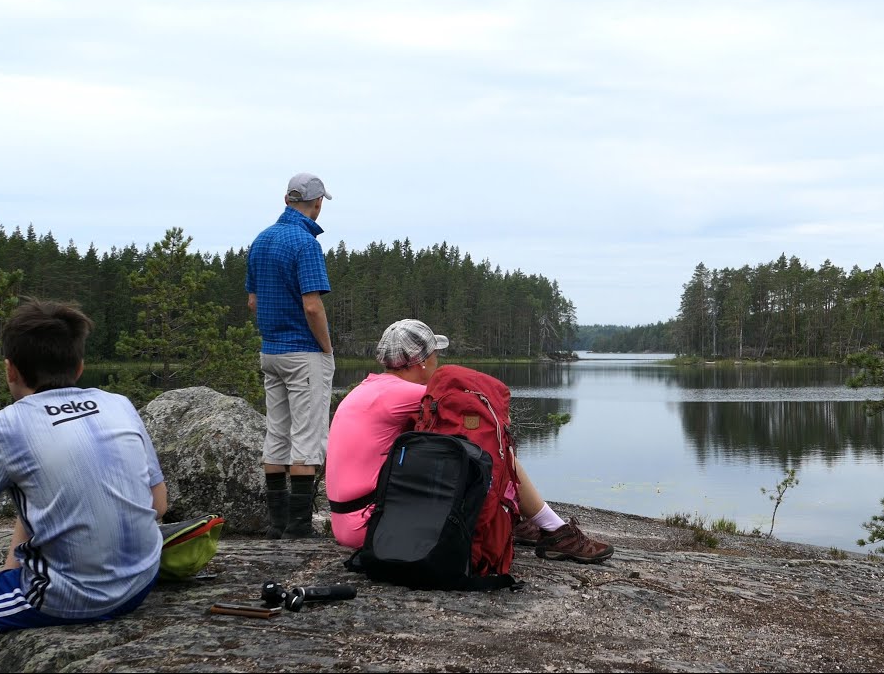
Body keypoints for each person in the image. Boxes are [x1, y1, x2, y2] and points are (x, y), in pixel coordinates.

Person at [0, 299, 167, 668]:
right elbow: (158, 503)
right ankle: (19, 567)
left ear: (10, 370)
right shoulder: (119, 404)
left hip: (70, 596)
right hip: (142, 579)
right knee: (39, 488)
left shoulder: (3, 427)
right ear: (79, 367)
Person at [325, 318, 614, 564]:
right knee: (497, 447)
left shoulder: (369, 388)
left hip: (347, 523)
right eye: (436, 354)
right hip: (370, 525)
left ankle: (511, 517)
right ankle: (556, 530)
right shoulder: (405, 394)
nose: (439, 361)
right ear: (423, 362)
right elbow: (483, 419)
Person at [246, 172, 336, 539]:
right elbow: (312, 306)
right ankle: (299, 527)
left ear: (287, 200)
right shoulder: (305, 244)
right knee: (307, 438)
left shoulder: (260, 241)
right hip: (304, 353)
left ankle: (277, 524)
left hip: (271, 352)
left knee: (277, 434)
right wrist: (326, 349)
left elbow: (253, 301)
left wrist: (274, 332)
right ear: (316, 204)